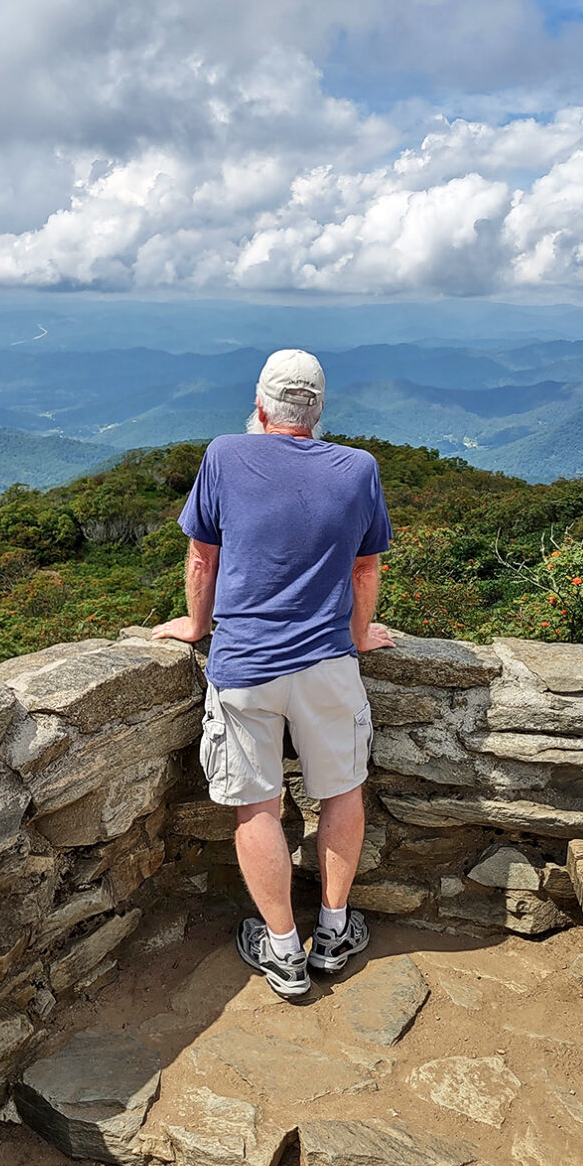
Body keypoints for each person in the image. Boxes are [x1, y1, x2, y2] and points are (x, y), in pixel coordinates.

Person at [153, 348, 394, 1000]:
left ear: (260, 407)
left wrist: (194, 626)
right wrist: (358, 634)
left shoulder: (225, 454)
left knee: (255, 806)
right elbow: (364, 568)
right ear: (317, 412)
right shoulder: (357, 469)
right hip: (327, 663)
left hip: (246, 664)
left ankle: (283, 951)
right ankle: (336, 930)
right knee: (341, 792)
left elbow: (203, 557)